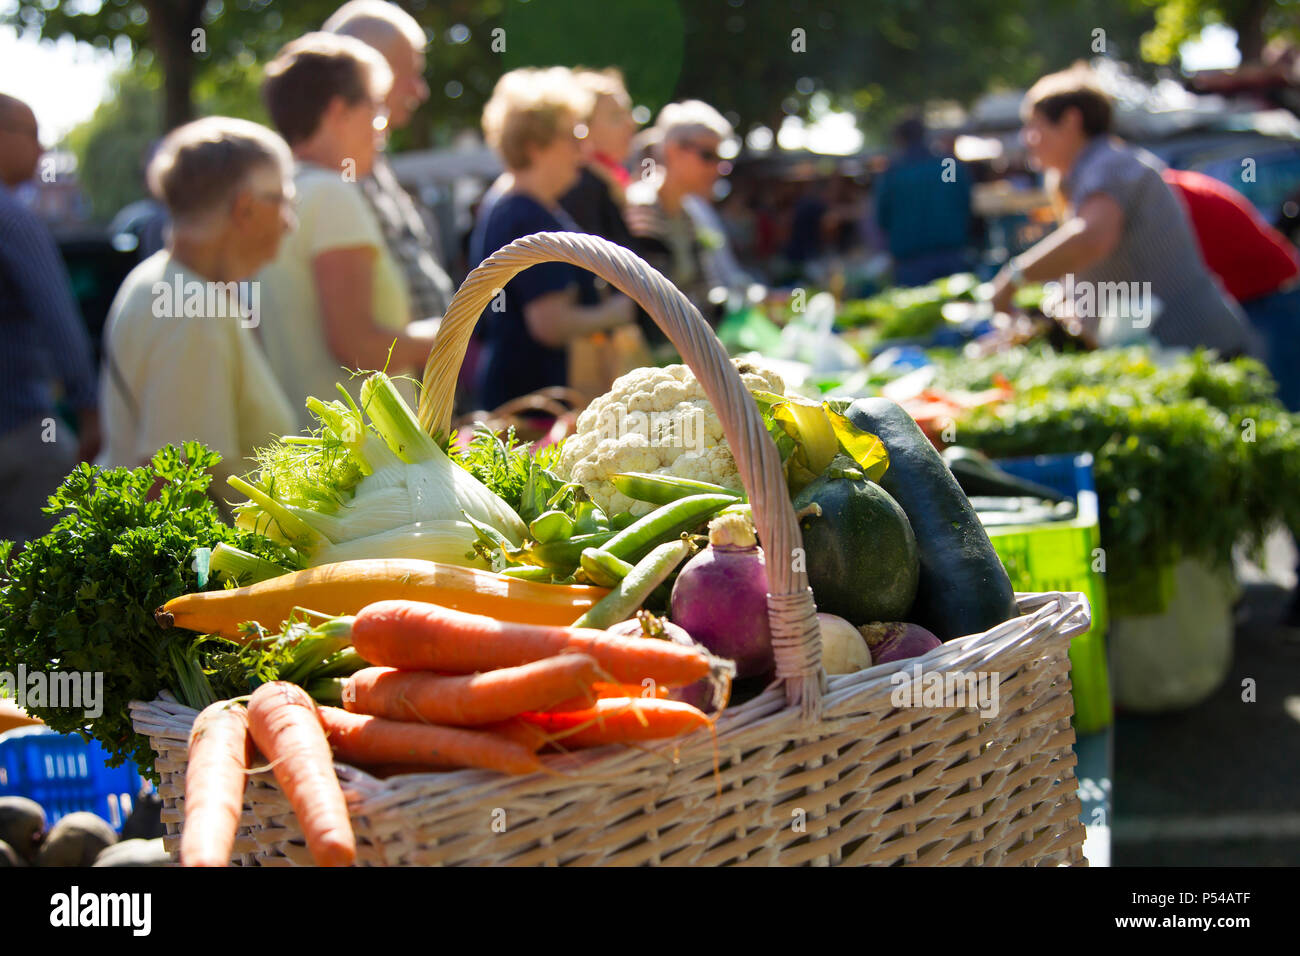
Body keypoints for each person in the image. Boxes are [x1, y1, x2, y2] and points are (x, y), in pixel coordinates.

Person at [990, 65, 1257, 357]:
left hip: (1199, 352)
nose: (1026, 138)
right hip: (1173, 353)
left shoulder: (1108, 165)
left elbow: (1092, 239)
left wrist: (1012, 279)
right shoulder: (1089, 174)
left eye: (1033, 125)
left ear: (1070, 120)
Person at [97, 118, 297, 497]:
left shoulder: (165, 281)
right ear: (246, 209)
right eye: (283, 200)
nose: (290, 222)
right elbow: (168, 483)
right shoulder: (193, 310)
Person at [257, 32, 439, 425]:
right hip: (365, 462)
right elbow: (357, 346)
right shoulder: (332, 196)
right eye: (375, 109)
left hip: (319, 456)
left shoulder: (285, 195)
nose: (383, 126)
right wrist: (450, 334)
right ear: (338, 111)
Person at [473, 67, 636, 411]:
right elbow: (549, 324)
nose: (585, 149)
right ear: (535, 146)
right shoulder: (523, 213)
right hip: (531, 410)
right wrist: (616, 312)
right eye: (575, 137)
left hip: (535, 399)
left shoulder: (522, 206)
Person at [0, 93, 100, 544]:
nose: (42, 151)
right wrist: (90, 408)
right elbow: (58, 318)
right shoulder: (13, 219)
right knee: (44, 581)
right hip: (20, 426)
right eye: (32, 135)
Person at [324, 0, 455, 320]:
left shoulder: (372, 169)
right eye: (411, 73)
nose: (420, 91)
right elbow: (353, 335)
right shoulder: (330, 183)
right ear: (367, 70)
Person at [1162, 167, 1300, 411]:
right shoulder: (1171, 189)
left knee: (1280, 401)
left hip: (1269, 297)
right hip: (1252, 296)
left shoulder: (1166, 198)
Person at [625, 100, 754, 318]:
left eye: (721, 158)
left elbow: (703, 291)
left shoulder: (688, 213)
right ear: (674, 152)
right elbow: (650, 302)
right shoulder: (642, 206)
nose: (719, 168)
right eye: (708, 155)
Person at [873, 115, 974, 287]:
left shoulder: (893, 173)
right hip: (951, 256)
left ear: (899, 139)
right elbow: (963, 201)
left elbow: (882, 218)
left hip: (911, 263)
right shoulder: (946, 166)